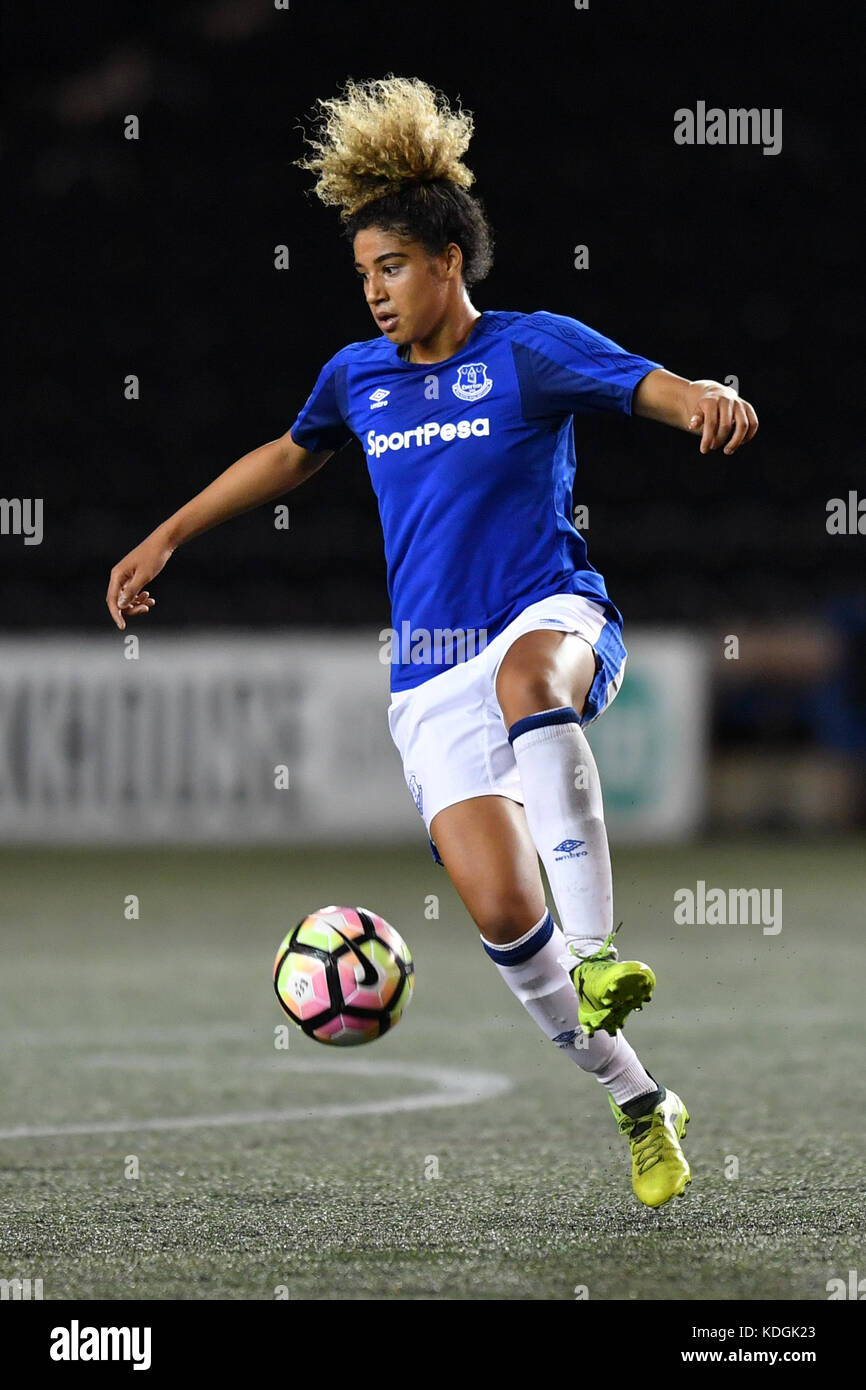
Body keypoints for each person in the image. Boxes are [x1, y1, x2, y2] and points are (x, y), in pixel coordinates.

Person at [106, 75, 758, 1209]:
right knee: (507, 920)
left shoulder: (528, 350)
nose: (373, 293)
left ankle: (602, 949)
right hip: (426, 681)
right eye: (362, 273)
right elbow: (286, 455)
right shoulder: (353, 379)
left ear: (448, 260)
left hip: (547, 614)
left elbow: (645, 384)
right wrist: (166, 532)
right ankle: (639, 1098)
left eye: (391, 267)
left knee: (528, 683)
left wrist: (703, 392)